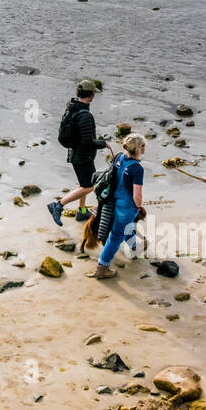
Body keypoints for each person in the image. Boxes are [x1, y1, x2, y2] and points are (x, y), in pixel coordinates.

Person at [47, 81, 111, 226]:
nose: (94, 95)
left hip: (77, 153)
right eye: (93, 92)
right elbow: (87, 141)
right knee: (89, 186)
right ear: (90, 94)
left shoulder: (72, 108)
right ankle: (58, 205)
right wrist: (103, 143)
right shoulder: (84, 115)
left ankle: (82, 212)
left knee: (85, 183)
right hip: (82, 157)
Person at [83, 134, 146, 279]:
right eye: (142, 146)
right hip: (125, 207)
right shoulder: (137, 169)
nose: (144, 148)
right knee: (116, 237)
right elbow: (137, 195)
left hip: (110, 202)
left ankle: (134, 249)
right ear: (136, 149)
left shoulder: (118, 157)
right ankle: (102, 268)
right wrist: (138, 207)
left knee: (127, 227)